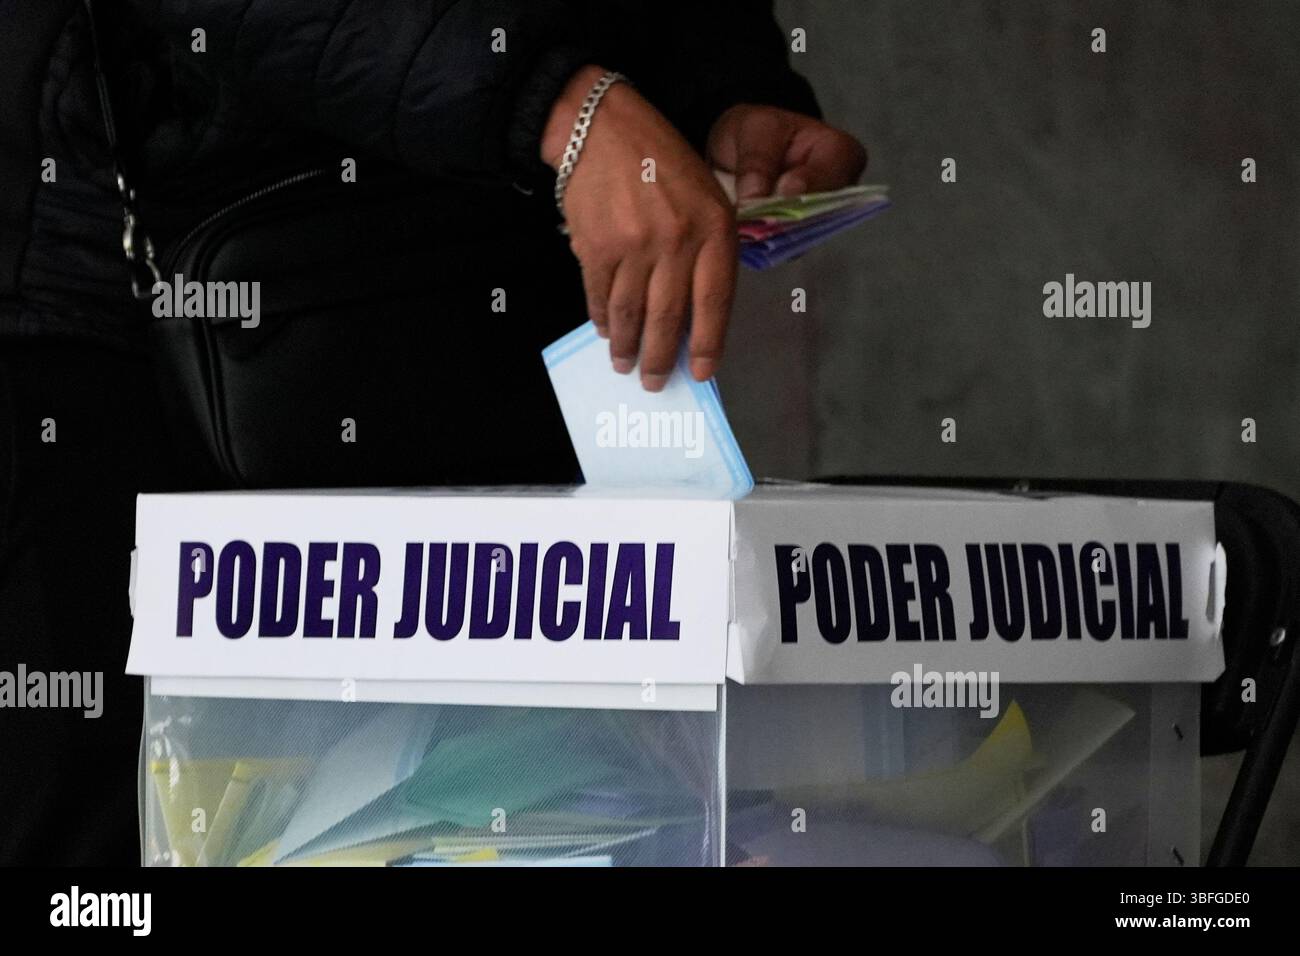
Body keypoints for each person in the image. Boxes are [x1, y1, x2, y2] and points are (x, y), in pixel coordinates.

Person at [0, 0, 867, 865]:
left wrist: (720, 98)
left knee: (522, 806)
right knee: (111, 846)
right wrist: (564, 107)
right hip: (116, 319)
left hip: (484, 290)